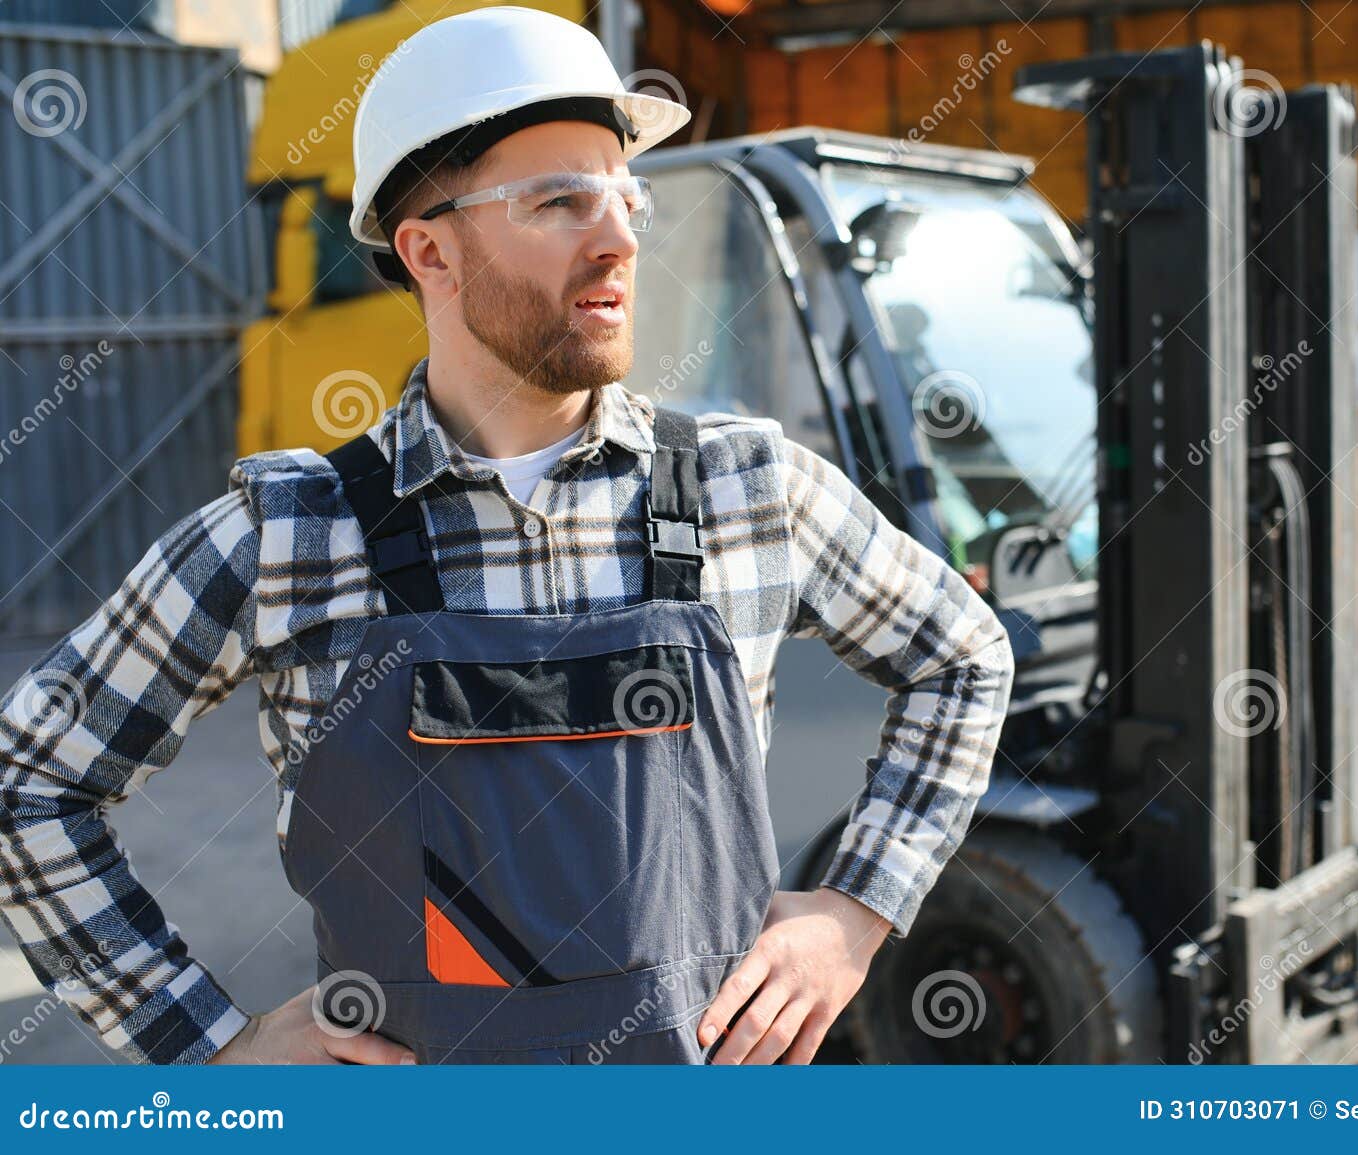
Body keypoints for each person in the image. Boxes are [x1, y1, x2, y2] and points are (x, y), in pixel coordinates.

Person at [0, 6, 1014, 1065]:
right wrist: (208, 1044)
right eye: (558, 202)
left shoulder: (746, 490)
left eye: (628, 198)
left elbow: (966, 656)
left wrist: (858, 906)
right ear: (428, 250)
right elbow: (27, 780)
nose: (618, 235)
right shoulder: (286, 538)